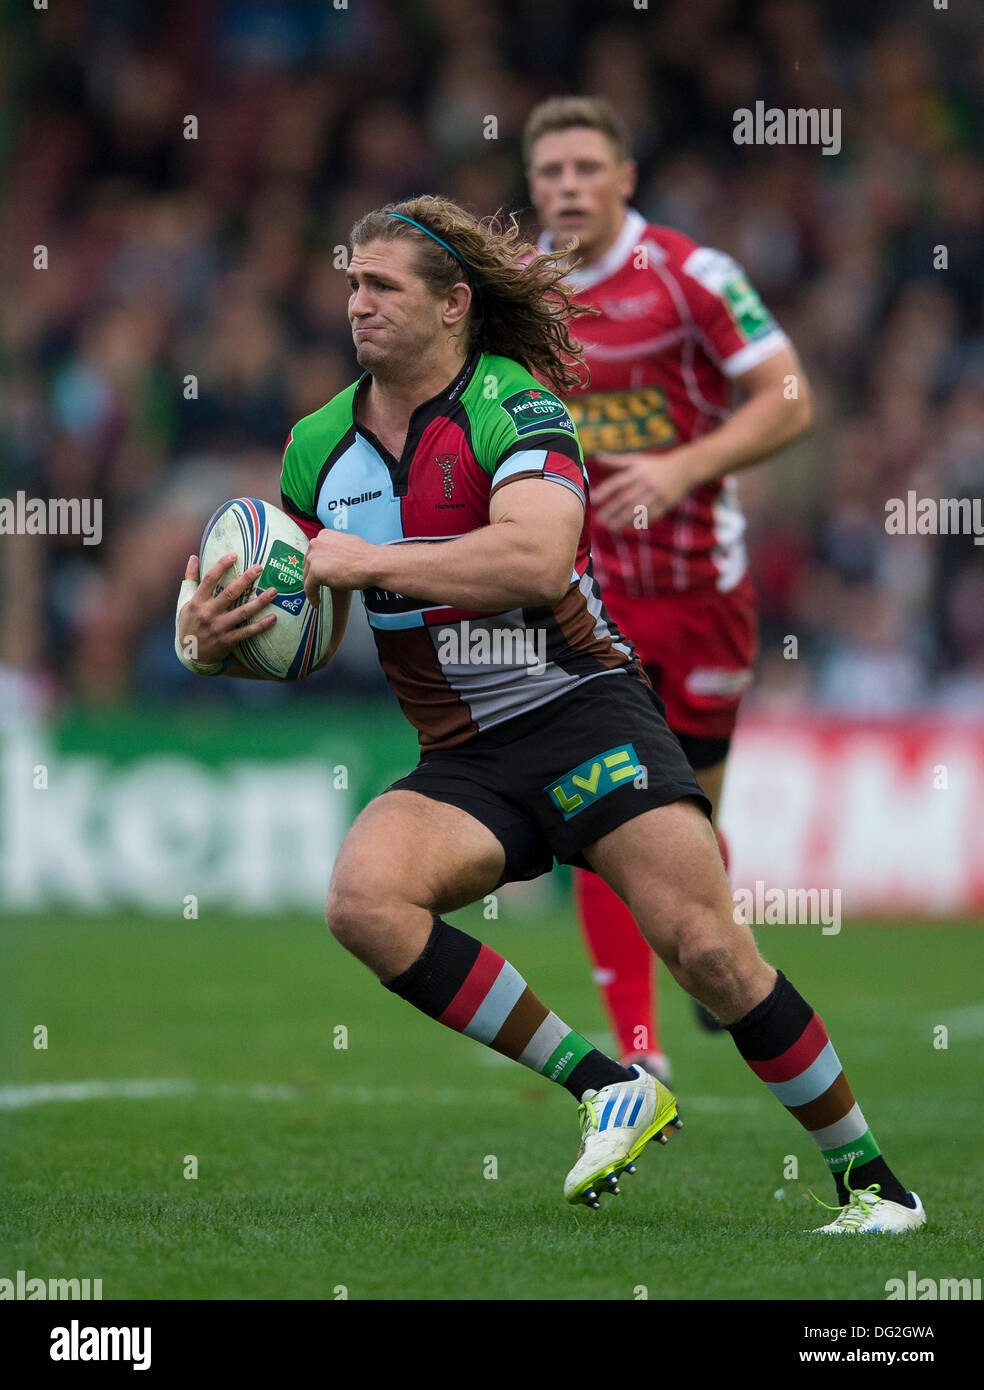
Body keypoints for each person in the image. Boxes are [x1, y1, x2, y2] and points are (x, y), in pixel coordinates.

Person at [175, 195, 924, 1231]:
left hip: (583, 715)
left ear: (453, 306)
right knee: (364, 901)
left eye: (383, 285)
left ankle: (871, 1177)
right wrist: (226, 646)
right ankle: (603, 1083)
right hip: (460, 758)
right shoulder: (316, 449)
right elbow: (308, 631)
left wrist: (363, 559)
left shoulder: (514, 404)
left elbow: (531, 558)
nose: (358, 303)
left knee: (708, 951)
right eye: (351, 283)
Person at [524, 96, 814, 1077]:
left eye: (583, 169)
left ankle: (721, 953)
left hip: (700, 594)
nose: (566, 187)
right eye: (549, 172)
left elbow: (789, 396)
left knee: (687, 828)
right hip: (585, 596)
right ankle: (638, 1049)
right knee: (608, 813)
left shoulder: (693, 277)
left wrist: (686, 467)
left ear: (623, 178)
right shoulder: (521, 294)